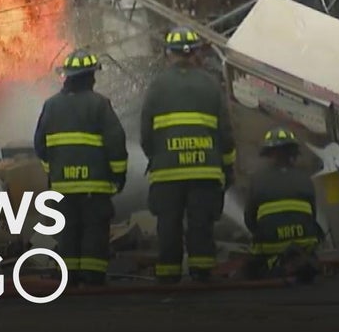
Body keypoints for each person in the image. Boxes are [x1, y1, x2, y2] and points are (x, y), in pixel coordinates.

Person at [139, 26, 236, 283]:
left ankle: (168, 276)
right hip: (205, 169)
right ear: (196, 54)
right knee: (201, 225)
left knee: (168, 225)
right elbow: (225, 133)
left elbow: (146, 135)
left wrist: (158, 157)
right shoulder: (211, 85)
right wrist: (228, 168)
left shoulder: (157, 86)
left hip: (167, 171)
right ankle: (201, 273)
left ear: (168, 54)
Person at [34, 49, 128, 287]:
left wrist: (52, 170)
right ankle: (92, 278)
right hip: (95, 186)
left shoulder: (51, 105)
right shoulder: (100, 104)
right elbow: (116, 143)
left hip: (62, 186)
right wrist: (118, 175)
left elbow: (40, 144)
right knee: (94, 232)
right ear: (89, 77)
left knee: (67, 232)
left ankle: (69, 278)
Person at [243, 127, 322, 283]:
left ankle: (275, 267)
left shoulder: (257, 179)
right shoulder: (305, 178)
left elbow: (249, 220)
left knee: (250, 268)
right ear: (293, 153)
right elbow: (312, 215)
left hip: (270, 246)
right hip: (304, 244)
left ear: (268, 153)